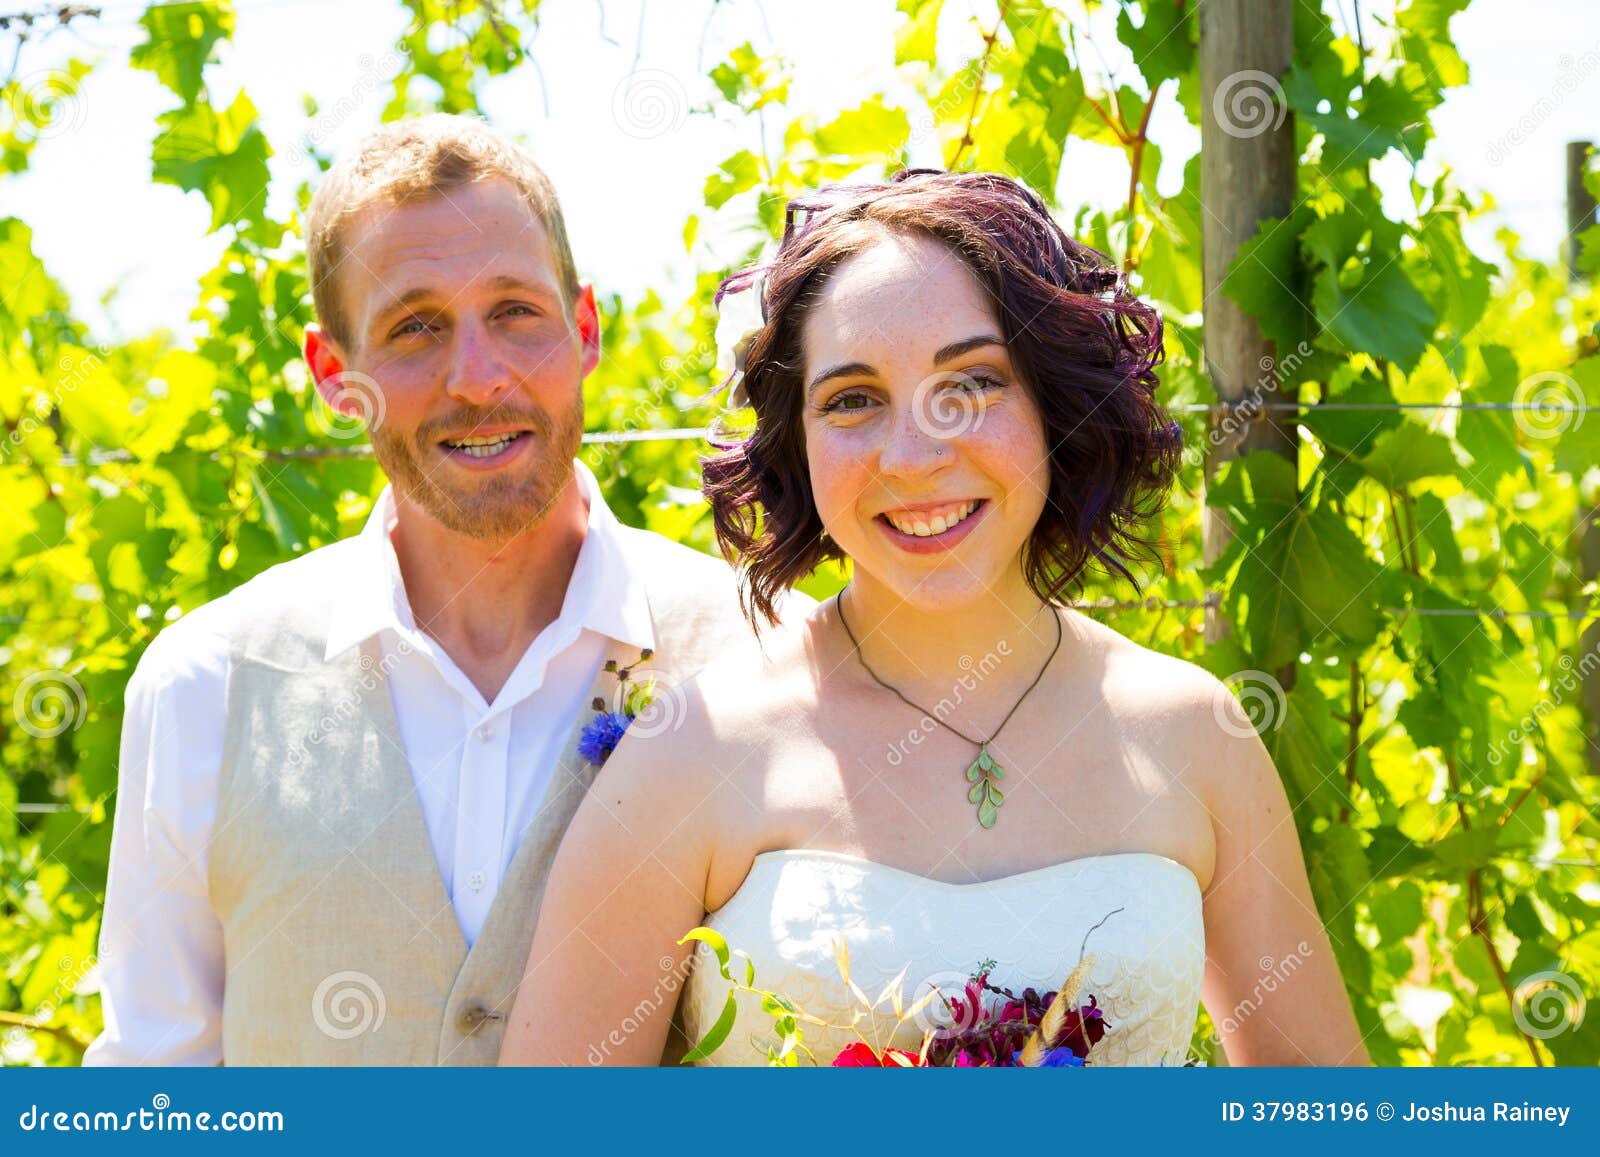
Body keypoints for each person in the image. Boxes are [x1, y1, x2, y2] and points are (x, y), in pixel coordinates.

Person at [500, 170, 1369, 1067]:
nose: (913, 456)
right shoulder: (690, 757)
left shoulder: (1198, 737)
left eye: (971, 384)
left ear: (1055, 406)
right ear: (794, 439)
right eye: (853, 399)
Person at [84, 114, 804, 1066]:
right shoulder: (204, 686)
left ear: (583, 331)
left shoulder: (771, 661)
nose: (478, 378)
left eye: (515, 312)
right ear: (335, 376)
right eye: (415, 327)